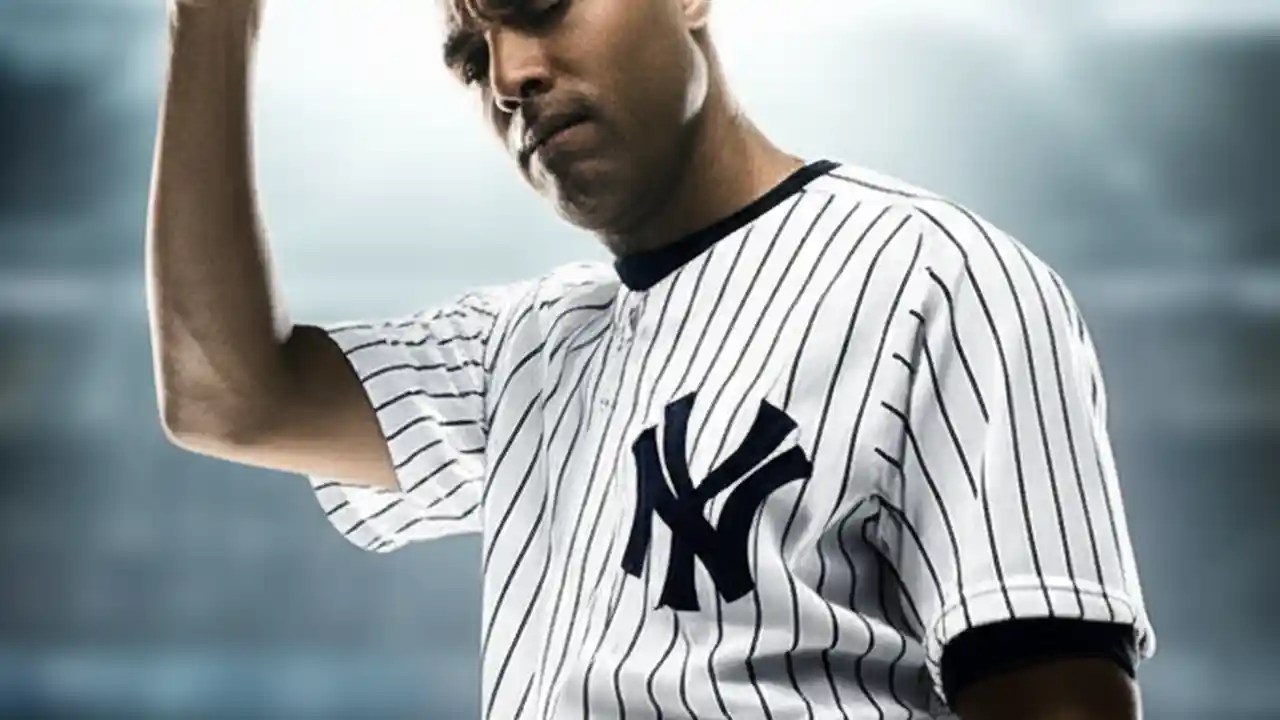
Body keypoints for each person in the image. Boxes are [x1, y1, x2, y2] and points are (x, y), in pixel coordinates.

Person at [147, 0, 1157, 717]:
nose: (509, 78)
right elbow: (227, 397)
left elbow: (1052, 699)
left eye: (539, 7)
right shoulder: (522, 352)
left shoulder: (932, 276)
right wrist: (211, 16)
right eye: (469, 55)